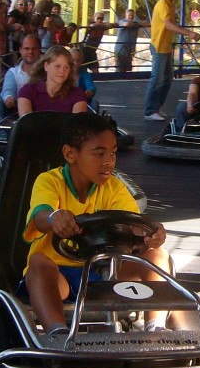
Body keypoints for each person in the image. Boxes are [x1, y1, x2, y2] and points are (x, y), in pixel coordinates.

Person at [19, 112, 175, 335]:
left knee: (158, 255)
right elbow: (40, 216)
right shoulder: (50, 181)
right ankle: (58, 333)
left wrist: (152, 233)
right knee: (37, 263)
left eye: (112, 153)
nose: (109, 161)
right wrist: (54, 218)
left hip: (104, 273)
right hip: (59, 277)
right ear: (70, 154)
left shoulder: (113, 187)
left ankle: (155, 329)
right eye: (99, 153)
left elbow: (132, 221)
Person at [144, 0, 199, 121]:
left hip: (165, 47)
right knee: (157, 79)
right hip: (159, 46)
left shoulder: (169, 4)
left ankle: (157, 107)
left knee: (167, 79)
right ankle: (150, 111)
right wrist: (189, 33)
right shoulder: (163, 5)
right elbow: (168, 25)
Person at [0, 34, 41, 130]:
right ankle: (1, 134)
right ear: (20, 50)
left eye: (34, 48)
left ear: (39, 49)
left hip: (38, 110)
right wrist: (8, 98)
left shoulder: (48, 70)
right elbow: (7, 90)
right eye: (27, 49)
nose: (30, 52)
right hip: (15, 110)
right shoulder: (13, 72)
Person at [17, 45, 89, 116]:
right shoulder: (27, 91)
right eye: (57, 66)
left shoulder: (77, 95)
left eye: (66, 67)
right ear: (46, 66)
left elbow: (76, 125)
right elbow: (26, 124)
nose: (62, 71)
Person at [114, 8, 148, 72]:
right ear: (126, 15)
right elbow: (126, 24)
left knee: (128, 69)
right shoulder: (122, 21)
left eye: (132, 15)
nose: (131, 17)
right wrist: (136, 24)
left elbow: (147, 24)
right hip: (121, 50)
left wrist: (137, 24)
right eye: (129, 15)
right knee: (119, 69)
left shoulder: (135, 24)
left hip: (130, 50)